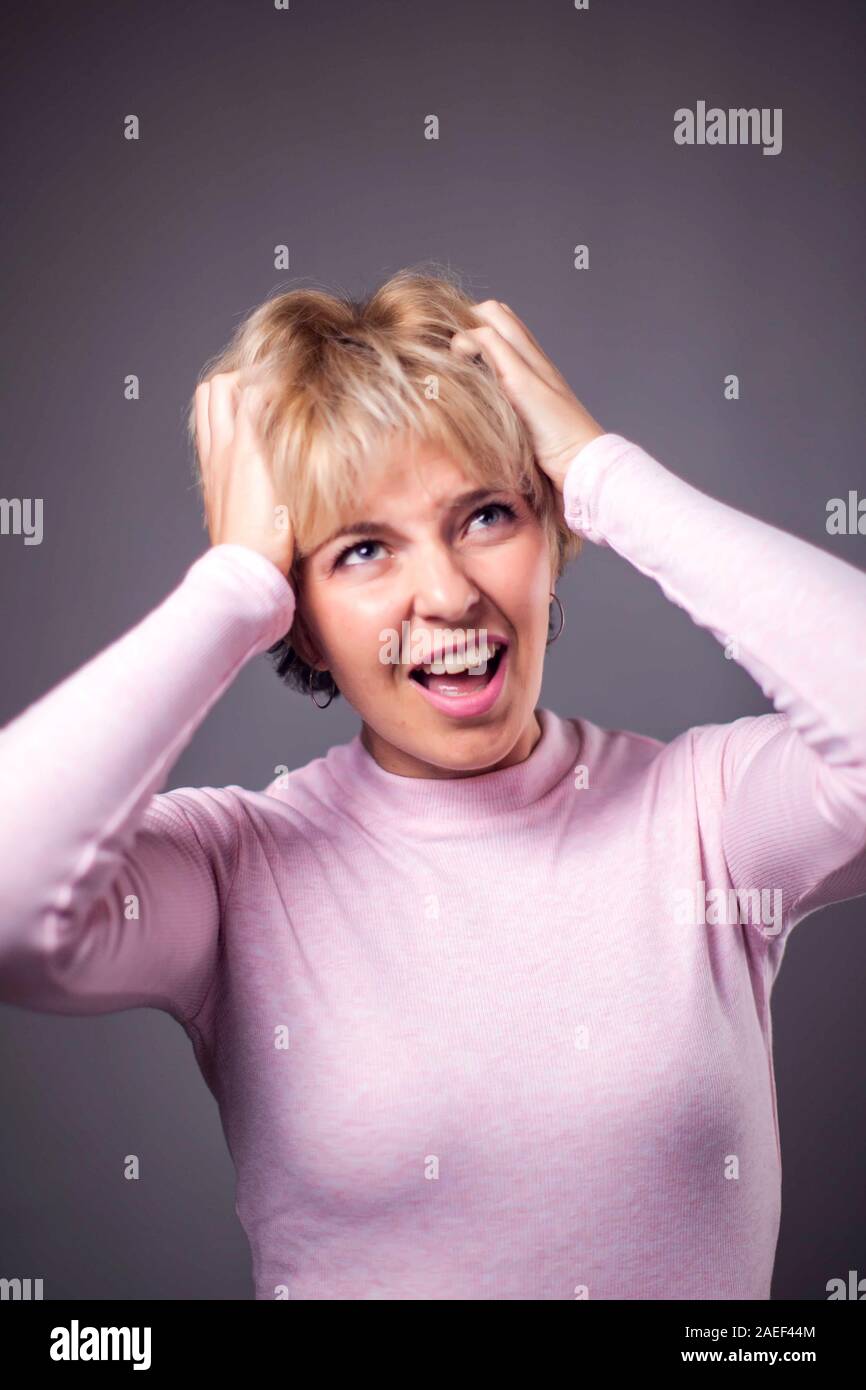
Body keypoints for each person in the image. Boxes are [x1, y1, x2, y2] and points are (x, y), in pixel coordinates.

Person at [1, 268, 864, 1301]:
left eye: (488, 515)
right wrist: (227, 589)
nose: (448, 594)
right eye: (363, 549)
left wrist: (599, 472)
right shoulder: (235, 870)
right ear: (299, 619)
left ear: (550, 542)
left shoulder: (705, 820)